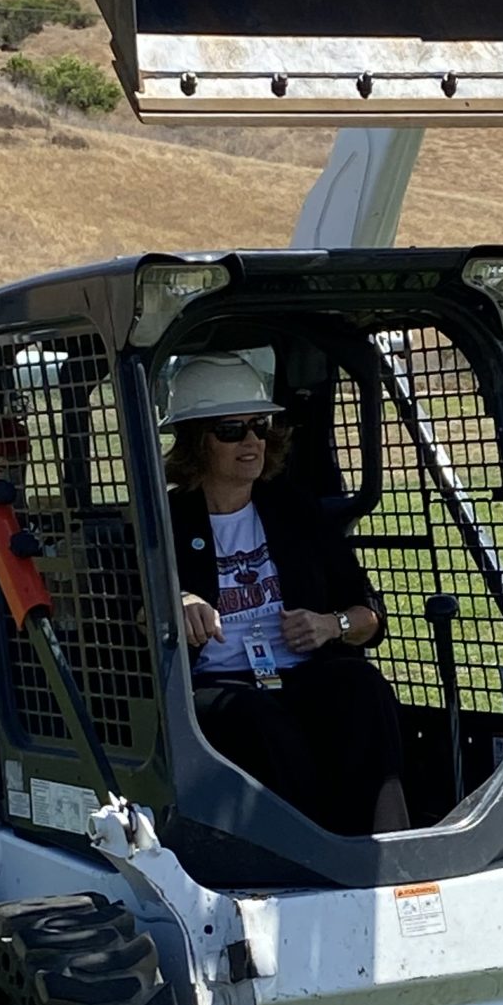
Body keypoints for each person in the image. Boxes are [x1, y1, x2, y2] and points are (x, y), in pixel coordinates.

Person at [162, 349, 408, 836]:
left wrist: (329, 625)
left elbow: (370, 616)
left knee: (362, 690)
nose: (251, 441)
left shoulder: (295, 512)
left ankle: (386, 843)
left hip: (297, 672)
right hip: (216, 684)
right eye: (231, 431)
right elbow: (124, 614)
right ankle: (310, 850)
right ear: (195, 442)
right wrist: (178, 602)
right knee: (255, 718)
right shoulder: (164, 523)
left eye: (259, 427)